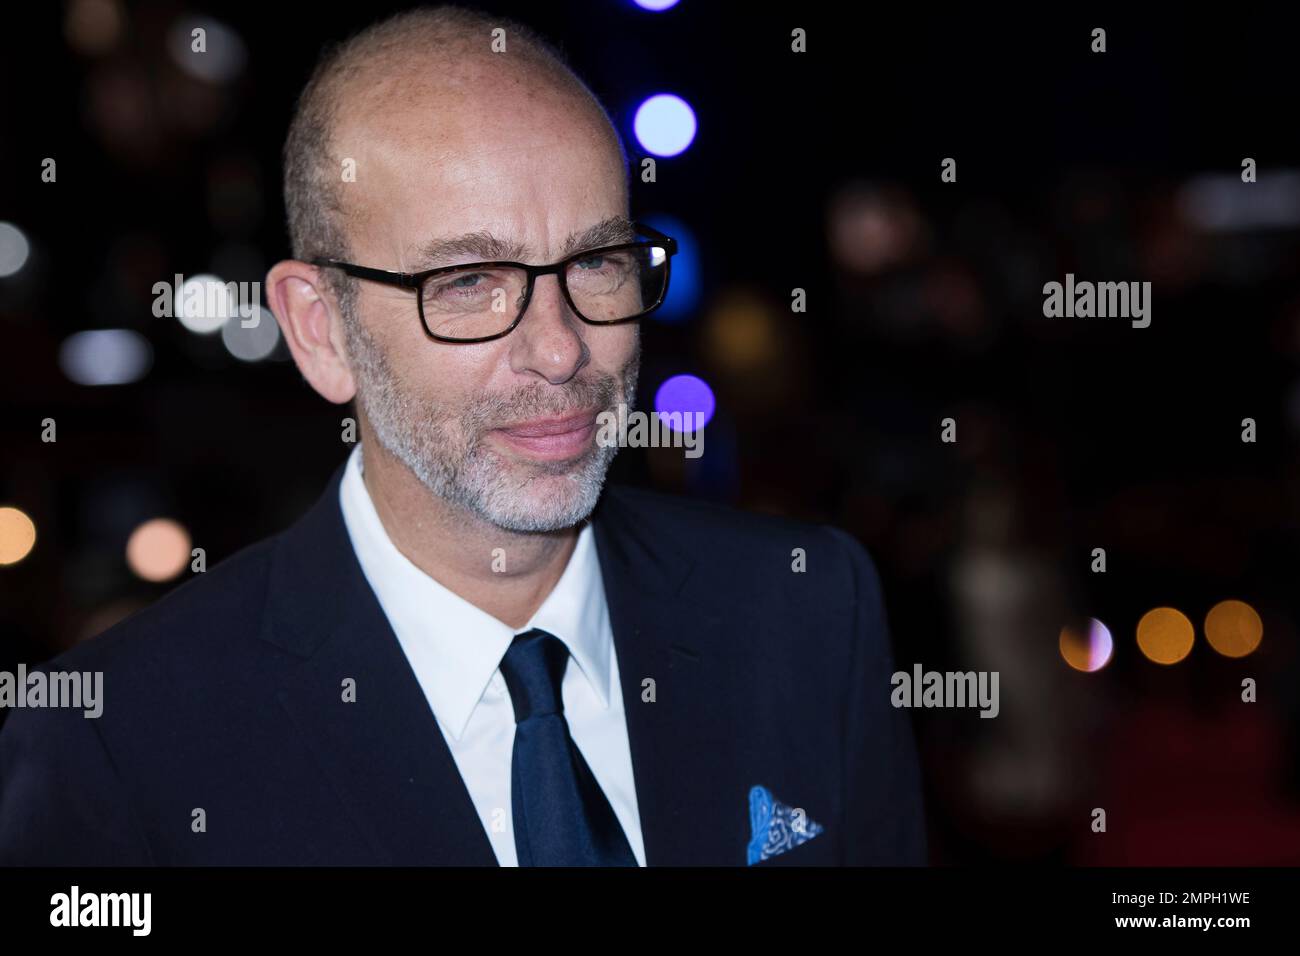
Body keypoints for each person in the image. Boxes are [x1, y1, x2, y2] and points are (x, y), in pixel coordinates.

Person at [0, 4, 925, 866]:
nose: (562, 350)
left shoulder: (809, 610)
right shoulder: (112, 743)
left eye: (597, 262)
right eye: (471, 282)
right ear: (321, 330)